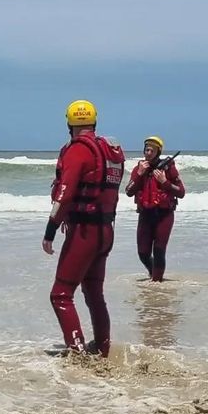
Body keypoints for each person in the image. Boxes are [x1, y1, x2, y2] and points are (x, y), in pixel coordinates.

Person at [42, 99, 125, 356]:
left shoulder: (78, 150)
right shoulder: (109, 150)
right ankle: (102, 348)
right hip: (105, 231)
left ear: (69, 123)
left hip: (84, 233)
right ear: (94, 121)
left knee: (61, 295)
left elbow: (64, 195)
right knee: (93, 292)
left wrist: (50, 231)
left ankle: (77, 353)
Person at [125, 135, 185, 282]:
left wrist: (164, 182)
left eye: (152, 150)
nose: (148, 153)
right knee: (143, 253)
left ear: (158, 152)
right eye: (146, 150)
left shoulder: (168, 168)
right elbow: (128, 191)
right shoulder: (138, 169)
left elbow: (181, 192)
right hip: (145, 214)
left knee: (159, 251)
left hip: (164, 215)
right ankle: (153, 274)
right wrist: (139, 175)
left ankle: (157, 283)